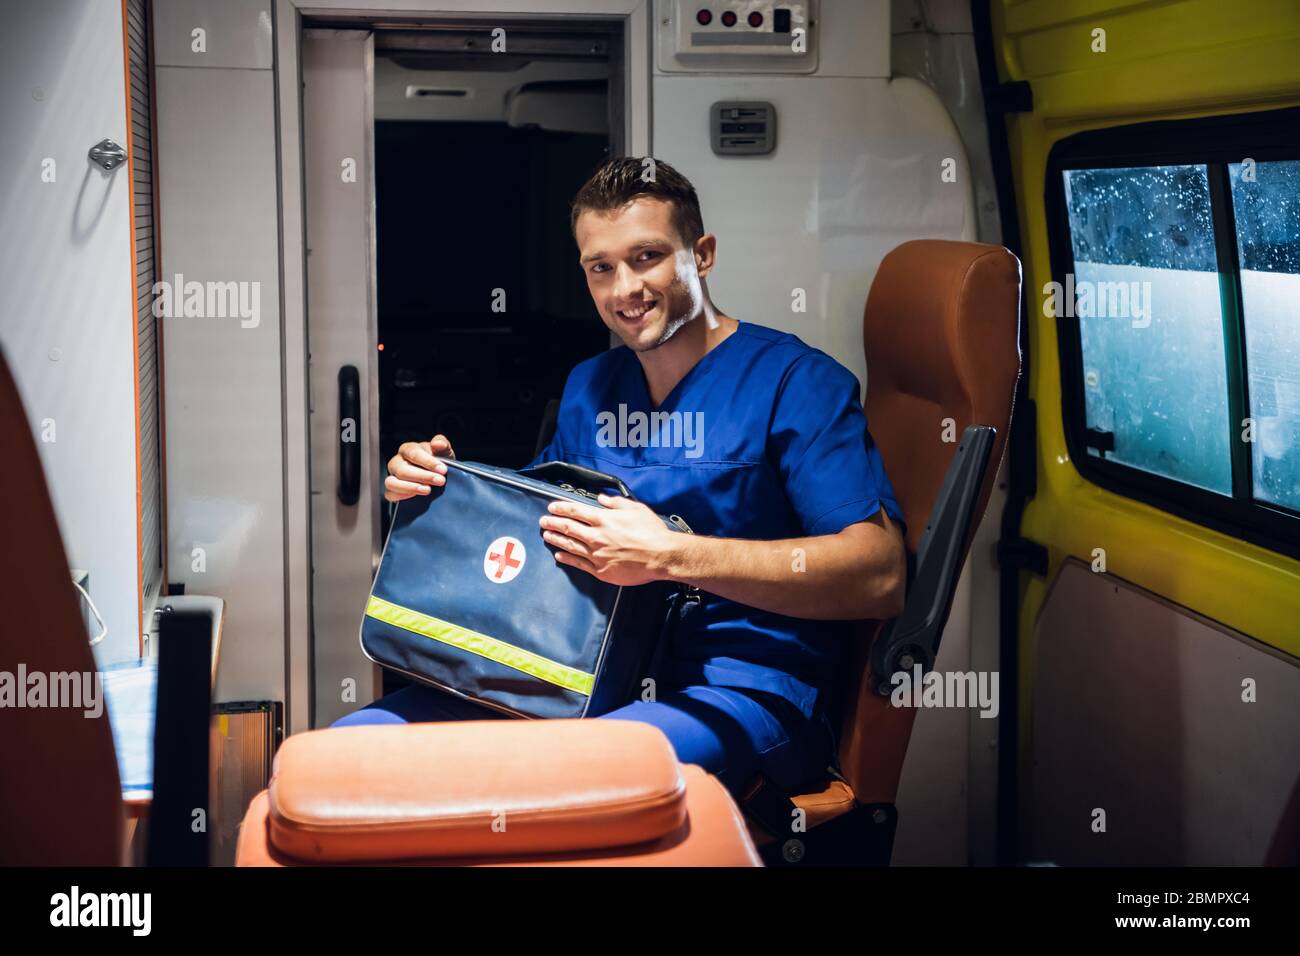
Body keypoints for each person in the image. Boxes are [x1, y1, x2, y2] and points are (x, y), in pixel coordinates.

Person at [335, 157, 907, 802]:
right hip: (579, 677)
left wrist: (671, 556)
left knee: (568, 778)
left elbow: (880, 573)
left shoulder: (794, 383)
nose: (624, 288)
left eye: (648, 257)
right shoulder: (592, 385)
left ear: (703, 254)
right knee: (348, 755)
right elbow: (534, 530)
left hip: (742, 690)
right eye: (600, 267)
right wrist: (439, 488)